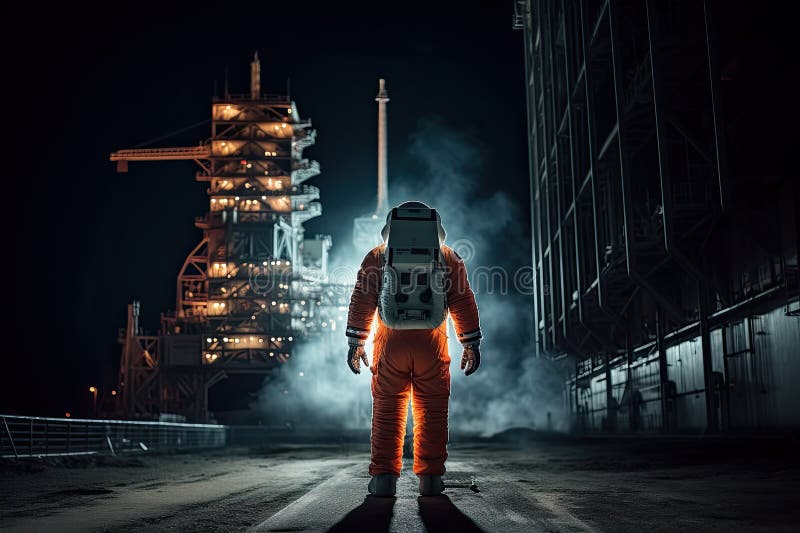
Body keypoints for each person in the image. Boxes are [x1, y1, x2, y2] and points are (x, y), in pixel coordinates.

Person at [346, 201, 482, 497]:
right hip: (431, 344)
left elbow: (362, 299)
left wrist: (356, 341)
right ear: (437, 229)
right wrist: (470, 343)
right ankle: (431, 479)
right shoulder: (448, 257)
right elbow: (462, 301)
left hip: (390, 343)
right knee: (432, 410)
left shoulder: (377, 256)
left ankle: (383, 479)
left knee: (387, 410)